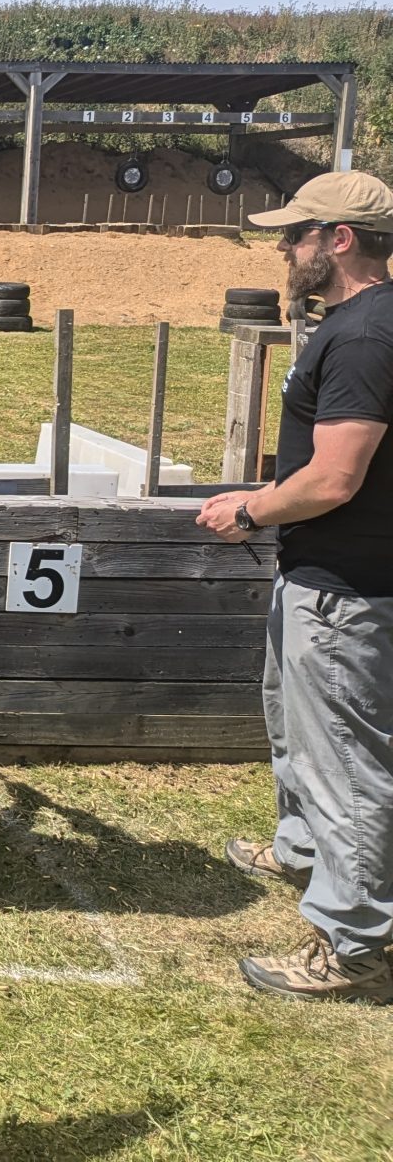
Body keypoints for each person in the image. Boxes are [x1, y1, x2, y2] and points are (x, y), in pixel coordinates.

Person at [197, 170, 393, 1005]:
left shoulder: (362, 338)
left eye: (296, 233)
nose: (283, 247)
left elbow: (336, 477)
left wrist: (252, 508)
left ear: (339, 240)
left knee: (343, 759)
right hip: (329, 578)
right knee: (299, 727)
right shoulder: (361, 325)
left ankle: (354, 946)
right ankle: (302, 847)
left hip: (345, 585)